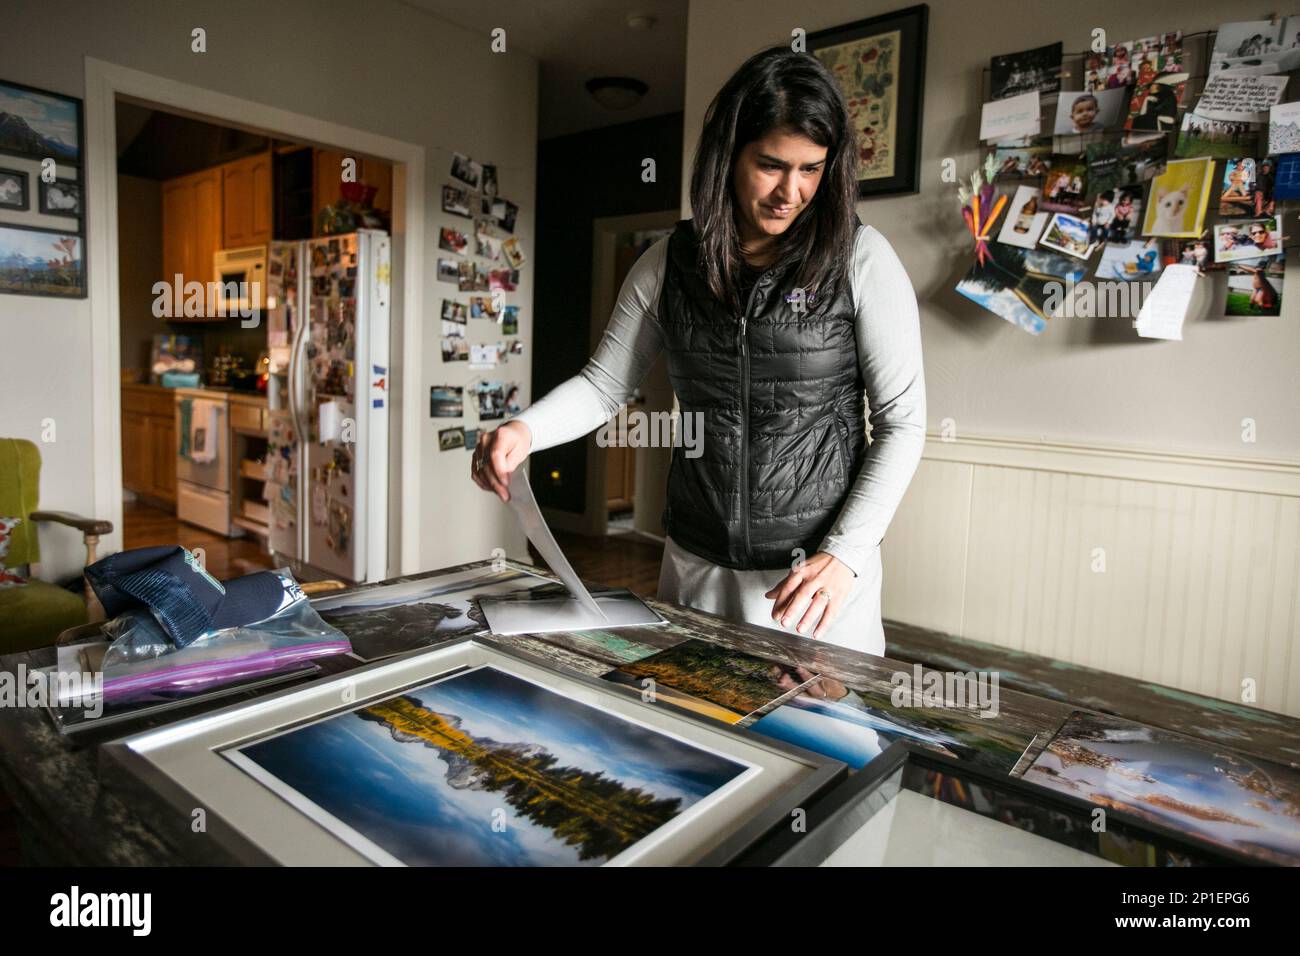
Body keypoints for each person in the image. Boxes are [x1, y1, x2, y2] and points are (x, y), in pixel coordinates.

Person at [470, 47, 926, 656]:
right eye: (770, 165)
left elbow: (902, 422)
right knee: (699, 734)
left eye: (811, 169)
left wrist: (845, 554)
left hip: (816, 582)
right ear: (727, 155)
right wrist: (525, 429)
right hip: (696, 562)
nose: (791, 192)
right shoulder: (666, 265)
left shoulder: (863, 261)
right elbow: (605, 386)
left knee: (825, 746)